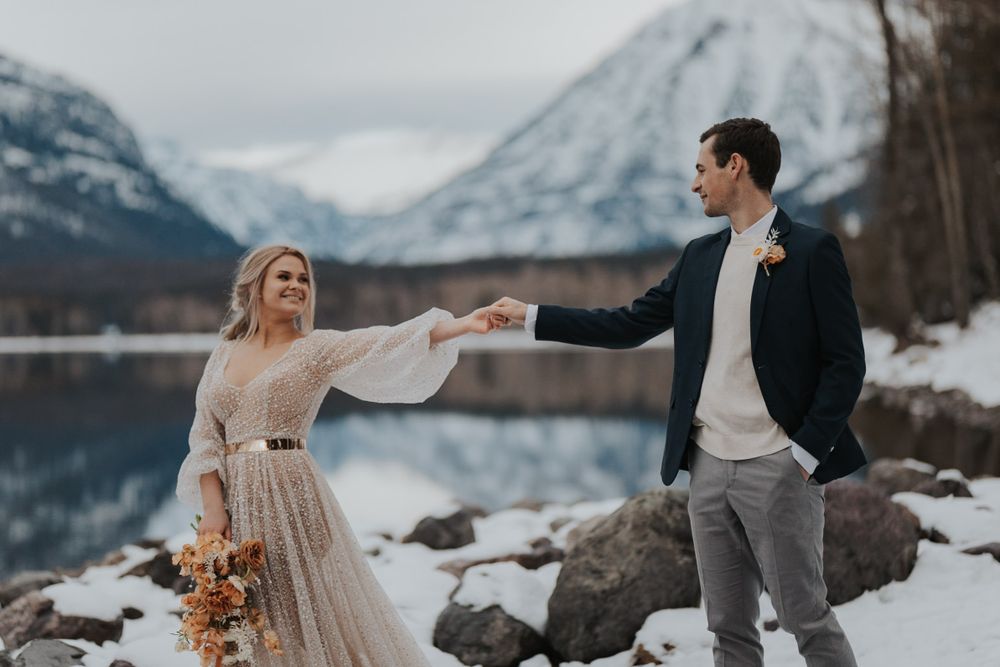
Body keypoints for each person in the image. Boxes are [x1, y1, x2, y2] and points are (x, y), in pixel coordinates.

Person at [489, 118, 864, 666]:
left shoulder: (811, 250)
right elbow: (627, 324)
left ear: (735, 166)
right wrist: (532, 316)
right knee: (728, 627)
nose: (695, 184)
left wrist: (804, 455)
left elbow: (846, 364)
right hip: (708, 466)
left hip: (779, 466)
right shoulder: (699, 257)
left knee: (805, 616)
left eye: (701, 169)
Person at [175, 244, 501, 666]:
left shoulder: (316, 348)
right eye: (284, 276)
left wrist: (465, 324)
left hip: (291, 497)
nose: (297, 286)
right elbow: (205, 435)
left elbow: (387, 341)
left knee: (293, 618)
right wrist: (213, 508)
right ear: (254, 286)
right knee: (238, 617)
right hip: (234, 500)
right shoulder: (224, 352)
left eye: (304, 279)